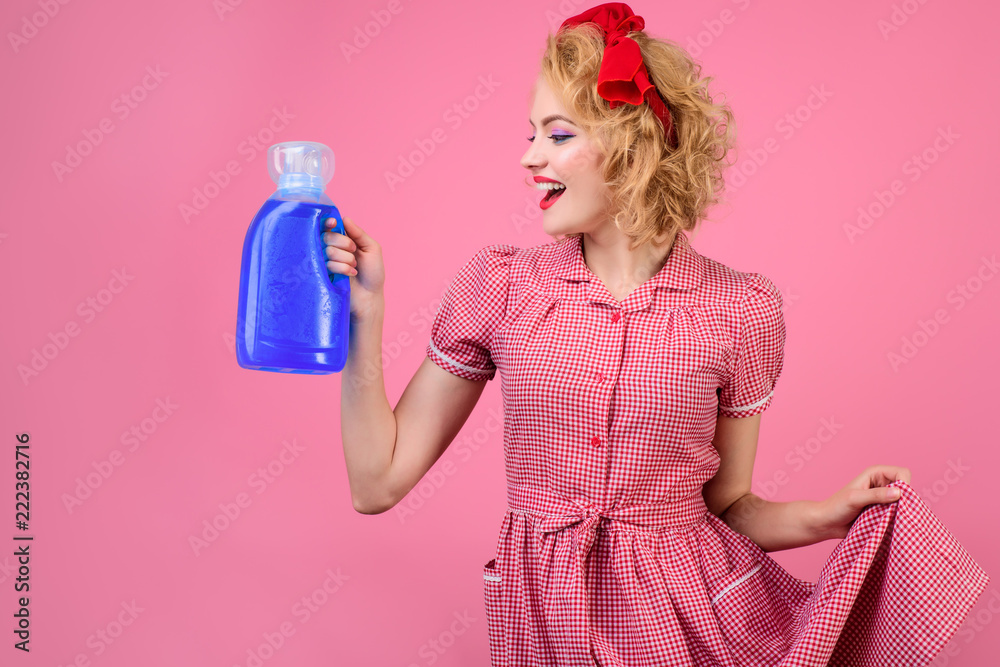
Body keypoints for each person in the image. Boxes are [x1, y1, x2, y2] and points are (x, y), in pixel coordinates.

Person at [330, 3, 990, 665]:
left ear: (635, 143)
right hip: (545, 628)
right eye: (532, 133)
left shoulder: (740, 309)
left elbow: (729, 507)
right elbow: (375, 483)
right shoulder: (501, 286)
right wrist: (365, 315)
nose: (529, 157)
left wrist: (828, 514)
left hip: (685, 628)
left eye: (558, 135)